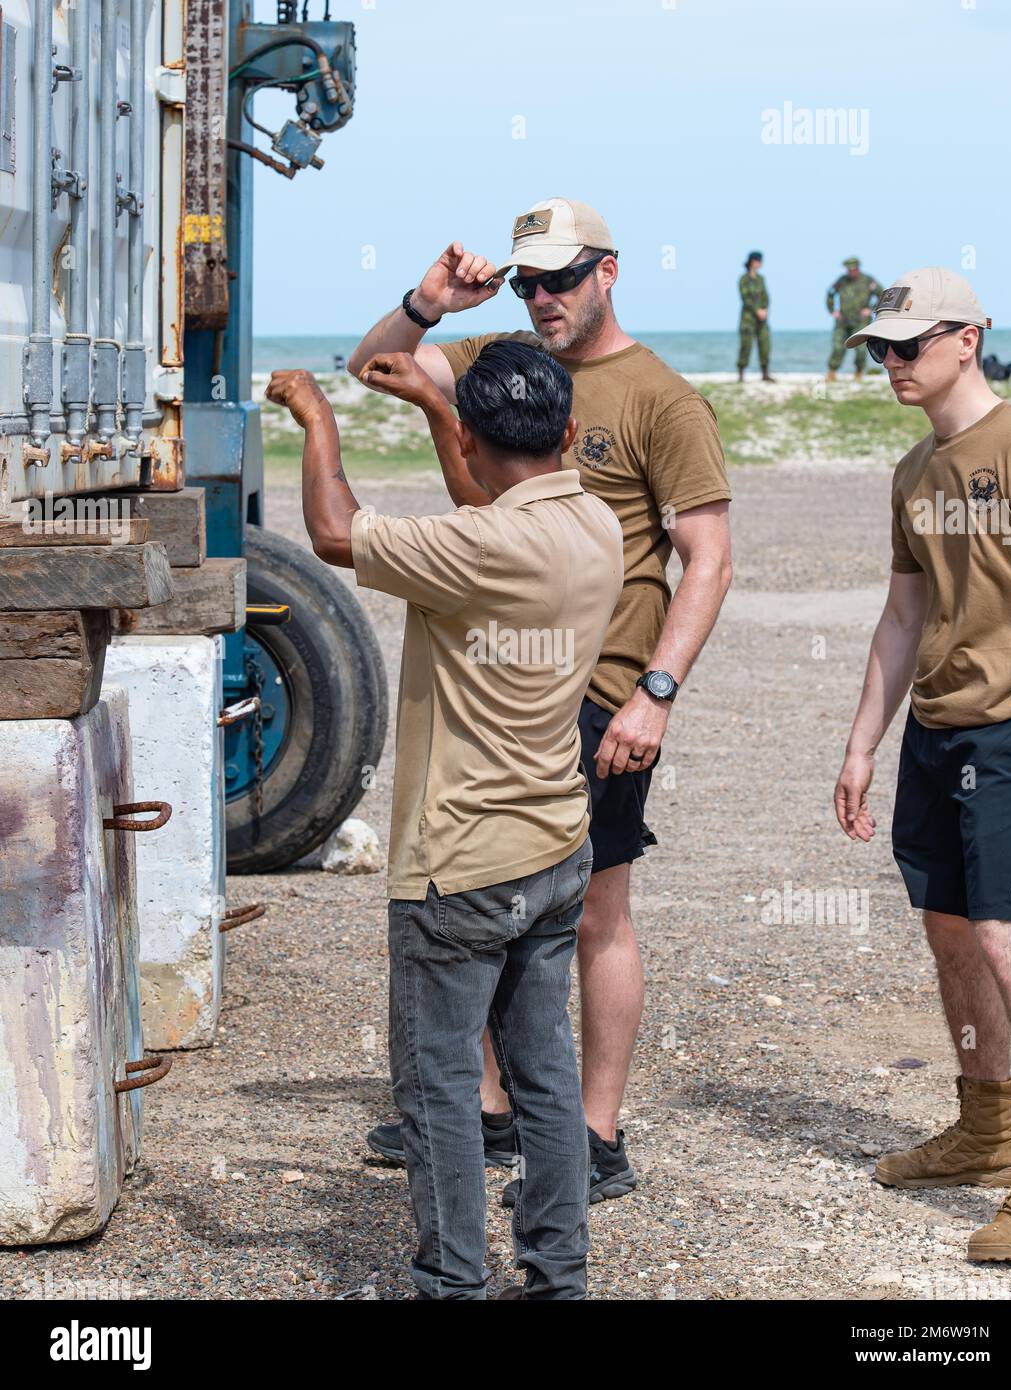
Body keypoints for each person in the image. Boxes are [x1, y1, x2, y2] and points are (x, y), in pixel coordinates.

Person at [349, 197, 733, 1206]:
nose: (541, 297)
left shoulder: (662, 399)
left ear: (608, 273)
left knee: (596, 911)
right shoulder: (506, 359)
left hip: (602, 692)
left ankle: (596, 1133)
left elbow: (707, 560)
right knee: (474, 895)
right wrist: (425, 305)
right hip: (499, 684)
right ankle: (486, 1108)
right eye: (526, 281)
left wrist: (655, 694)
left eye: (559, 278)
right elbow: (375, 368)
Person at [266, 342, 623, 1299]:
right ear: (571, 435)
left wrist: (316, 417)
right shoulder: (596, 526)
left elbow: (336, 534)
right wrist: (435, 404)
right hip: (555, 847)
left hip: (459, 865)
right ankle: (558, 1274)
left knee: (438, 1093)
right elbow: (491, 505)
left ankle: (455, 1282)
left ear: (471, 436)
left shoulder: (480, 549)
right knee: (545, 1079)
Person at [834, 266, 1011, 1263]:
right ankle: (981, 1124)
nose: (889, 362)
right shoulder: (912, 472)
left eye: (907, 345)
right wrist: (860, 744)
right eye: (881, 346)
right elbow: (902, 613)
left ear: (969, 337)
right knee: (951, 928)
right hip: (935, 730)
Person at [825, 256, 882, 381]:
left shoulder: (868, 280)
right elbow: (830, 293)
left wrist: (871, 309)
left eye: (853, 269)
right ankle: (832, 372)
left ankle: (858, 372)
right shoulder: (842, 281)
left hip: (861, 321)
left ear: (858, 268)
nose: (851, 271)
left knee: (861, 349)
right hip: (842, 321)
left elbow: (882, 295)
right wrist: (832, 311)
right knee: (837, 347)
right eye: (849, 269)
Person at [737, 251, 773, 383]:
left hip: (762, 320)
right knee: (746, 346)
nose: (759, 263)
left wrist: (765, 309)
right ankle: (741, 374)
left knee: (765, 345)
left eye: (760, 261)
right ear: (751, 262)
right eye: (757, 260)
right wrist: (756, 310)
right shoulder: (744, 279)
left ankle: (765, 373)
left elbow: (766, 296)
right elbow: (745, 298)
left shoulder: (761, 279)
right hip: (748, 319)